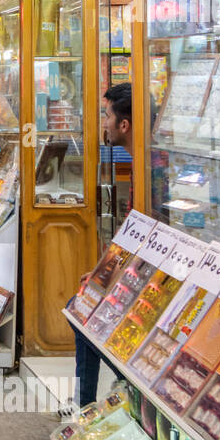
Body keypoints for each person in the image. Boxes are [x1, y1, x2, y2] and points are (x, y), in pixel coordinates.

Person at [71, 82, 133, 408]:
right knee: (80, 306)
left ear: (124, 124)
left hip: (147, 285)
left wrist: (109, 278)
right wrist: (100, 274)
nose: (104, 124)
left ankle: (125, 391)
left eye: (106, 116)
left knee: (87, 315)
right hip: (130, 276)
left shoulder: (153, 170)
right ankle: (86, 406)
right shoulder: (143, 166)